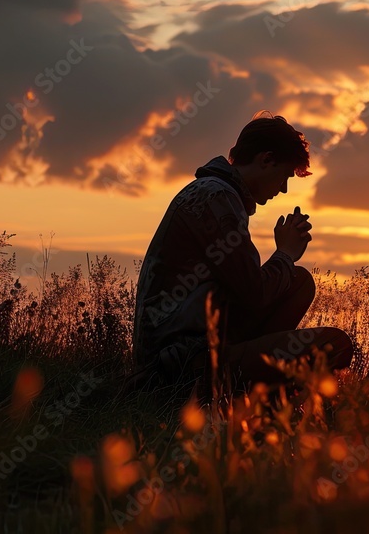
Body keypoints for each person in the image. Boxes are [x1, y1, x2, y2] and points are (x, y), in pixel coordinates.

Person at [129, 111, 354, 399]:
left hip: (191, 348)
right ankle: (247, 400)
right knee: (335, 344)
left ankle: (251, 396)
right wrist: (285, 253)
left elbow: (243, 290)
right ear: (265, 160)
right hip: (180, 366)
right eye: (284, 176)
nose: (283, 189)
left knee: (297, 282)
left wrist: (285, 260)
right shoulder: (217, 198)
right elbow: (254, 293)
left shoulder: (217, 194)